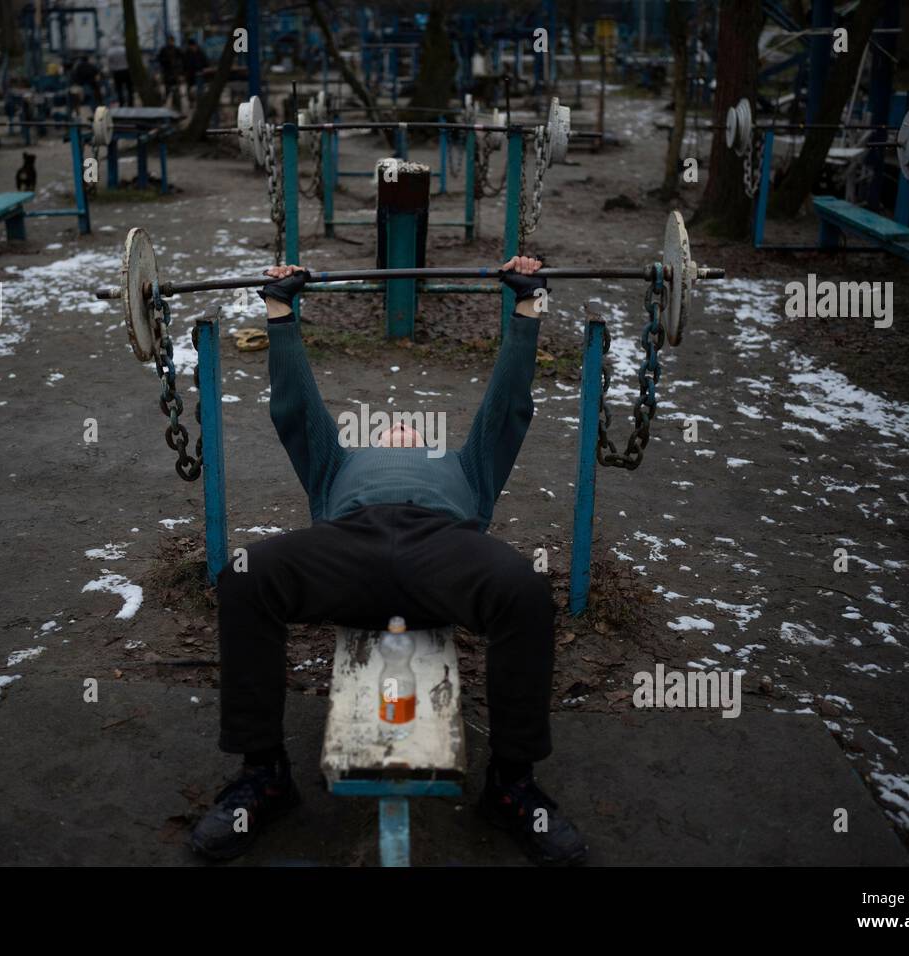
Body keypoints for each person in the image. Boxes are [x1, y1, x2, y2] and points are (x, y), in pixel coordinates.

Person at [190, 258, 588, 866]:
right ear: (369, 441)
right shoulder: (338, 464)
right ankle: (263, 773)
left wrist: (526, 309)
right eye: (390, 426)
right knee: (246, 575)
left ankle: (512, 785)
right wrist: (281, 313)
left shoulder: (465, 466)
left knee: (526, 589)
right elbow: (295, 407)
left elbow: (507, 407)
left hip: (441, 548)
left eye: (412, 426)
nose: (401, 425)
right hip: (349, 546)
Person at [157, 35, 183, 110]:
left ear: (173, 41)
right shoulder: (164, 50)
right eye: (169, 41)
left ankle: (176, 106)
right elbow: (160, 59)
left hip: (175, 73)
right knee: (167, 90)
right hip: (167, 72)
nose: (170, 42)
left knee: (176, 90)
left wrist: (179, 70)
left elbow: (181, 60)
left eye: (171, 41)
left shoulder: (177, 50)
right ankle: (168, 106)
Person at [106, 42, 132, 107]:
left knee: (119, 89)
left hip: (116, 72)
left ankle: (121, 103)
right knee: (129, 89)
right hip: (126, 70)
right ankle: (130, 103)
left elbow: (109, 63)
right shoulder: (124, 50)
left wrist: (111, 71)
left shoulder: (110, 52)